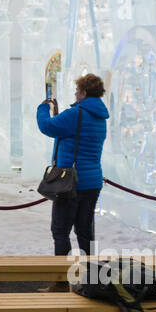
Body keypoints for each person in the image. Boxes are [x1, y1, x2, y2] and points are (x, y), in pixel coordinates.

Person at [37, 73, 109, 291]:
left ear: (84, 93)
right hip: (92, 181)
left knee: (60, 231)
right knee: (85, 231)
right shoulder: (99, 116)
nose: (75, 94)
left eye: (77, 91)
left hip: (71, 183)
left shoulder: (76, 114)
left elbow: (47, 126)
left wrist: (43, 107)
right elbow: (75, 136)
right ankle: (91, 280)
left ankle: (61, 281)